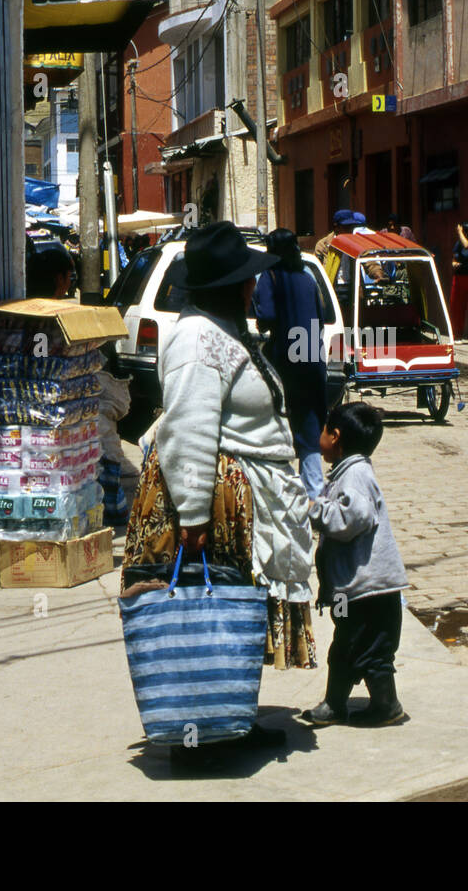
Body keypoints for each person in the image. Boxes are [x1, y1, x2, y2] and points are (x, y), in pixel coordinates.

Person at [118, 222, 317, 750]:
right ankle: (204, 726)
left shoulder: (223, 328)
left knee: (237, 608)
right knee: (212, 606)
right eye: (246, 281)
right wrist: (194, 517)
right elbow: (189, 429)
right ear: (228, 286)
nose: (254, 289)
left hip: (241, 500)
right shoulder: (196, 339)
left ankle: (231, 716)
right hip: (216, 505)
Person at [301, 402, 409, 728]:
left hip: (369, 593)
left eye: (322, 431)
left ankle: (387, 706)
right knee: (344, 649)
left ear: (335, 436)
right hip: (353, 592)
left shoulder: (356, 475)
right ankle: (334, 705)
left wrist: (312, 509)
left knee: (372, 652)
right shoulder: (349, 472)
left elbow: (352, 519)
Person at [254, 229, 329, 499]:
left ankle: (281, 493)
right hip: (310, 352)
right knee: (309, 426)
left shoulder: (269, 277)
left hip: (285, 355)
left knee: (278, 422)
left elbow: (268, 316)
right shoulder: (308, 280)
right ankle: (315, 495)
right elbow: (320, 319)